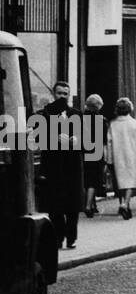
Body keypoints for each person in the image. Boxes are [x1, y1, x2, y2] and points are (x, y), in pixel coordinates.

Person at [37, 84, 83, 249]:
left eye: (65, 93)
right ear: (53, 94)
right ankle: (58, 237)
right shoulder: (44, 114)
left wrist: (74, 141)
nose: (62, 96)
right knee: (54, 205)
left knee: (72, 205)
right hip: (53, 165)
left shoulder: (77, 114)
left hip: (72, 166)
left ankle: (71, 238)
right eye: (59, 93)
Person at [104, 98, 136, 218]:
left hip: (117, 156)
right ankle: (125, 204)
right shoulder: (135, 123)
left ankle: (122, 203)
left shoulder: (113, 124)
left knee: (120, 182)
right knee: (131, 181)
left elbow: (109, 142)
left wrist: (109, 159)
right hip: (133, 155)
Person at [82, 93, 106, 218]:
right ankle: (88, 206)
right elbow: (104, 140)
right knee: (94, 180)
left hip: (83, 151)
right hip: (96, 152)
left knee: (86, 178)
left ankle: (92, 204)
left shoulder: (80, 118)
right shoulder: (101, 120)